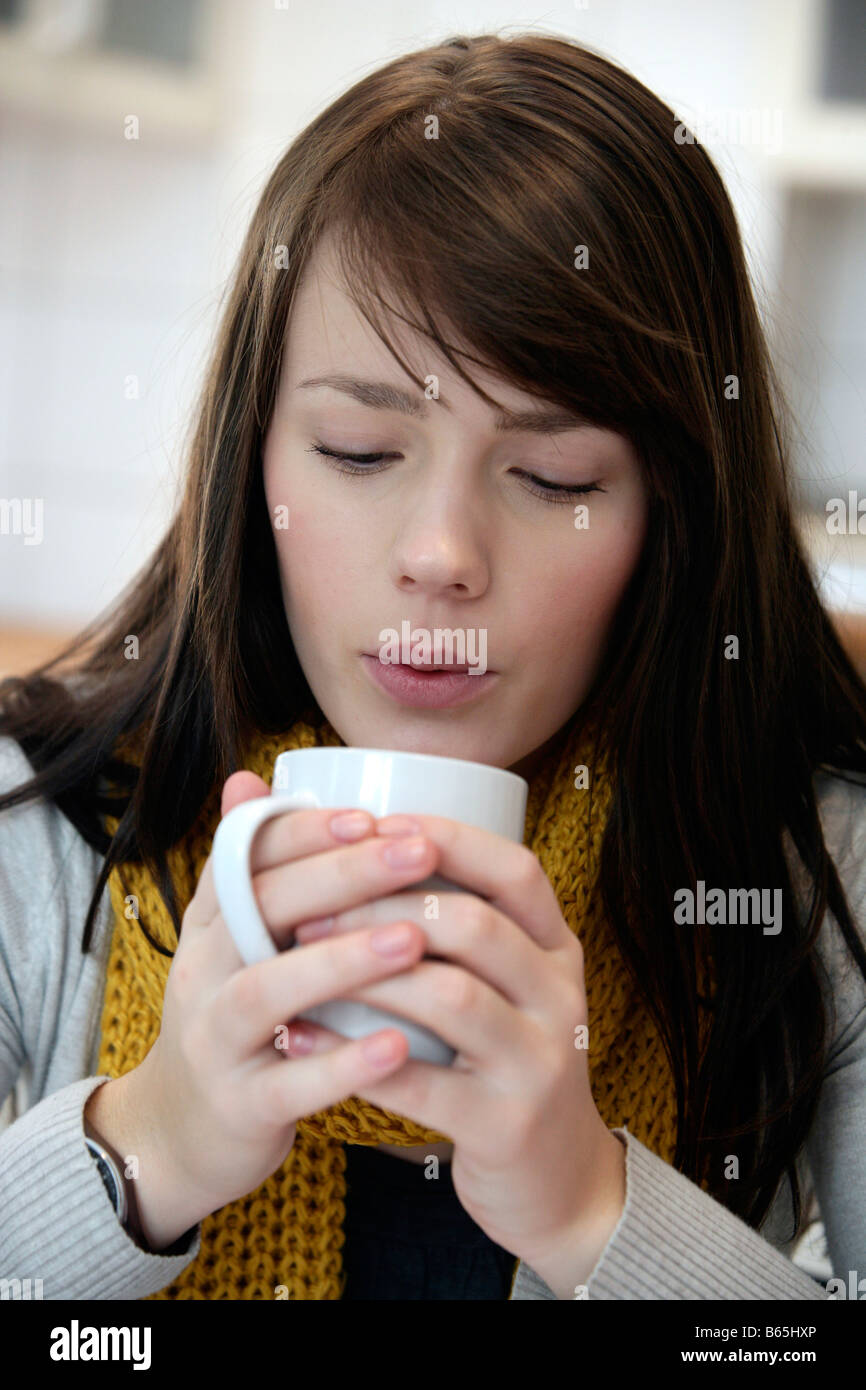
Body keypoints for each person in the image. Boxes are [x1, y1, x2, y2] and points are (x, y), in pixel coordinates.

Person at [1, 30, 864, 1302]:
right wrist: (145, 1150)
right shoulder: (46, 819)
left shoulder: (814, 865)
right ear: (255, 460)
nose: (441, 554)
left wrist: (591, 1212)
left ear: (670, 518)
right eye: (357, 450)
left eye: (553, 478)